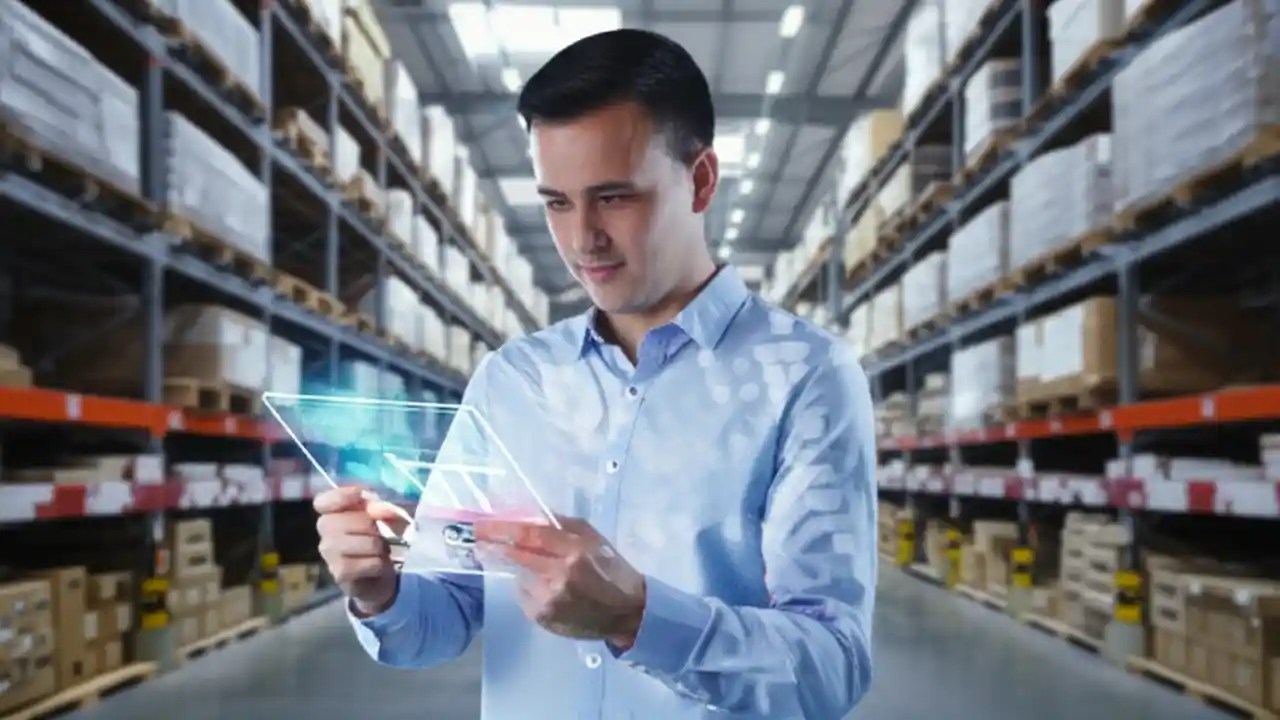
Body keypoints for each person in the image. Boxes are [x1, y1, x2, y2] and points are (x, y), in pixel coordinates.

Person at [313, 28, 877, 720]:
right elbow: (443, 618)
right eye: (556, 202)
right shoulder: (512, 381)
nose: (582, 240)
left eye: (613, 198)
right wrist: (380, 591)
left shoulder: (805, 379)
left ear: (700, 181)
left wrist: (638, 616)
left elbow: (831, 667)